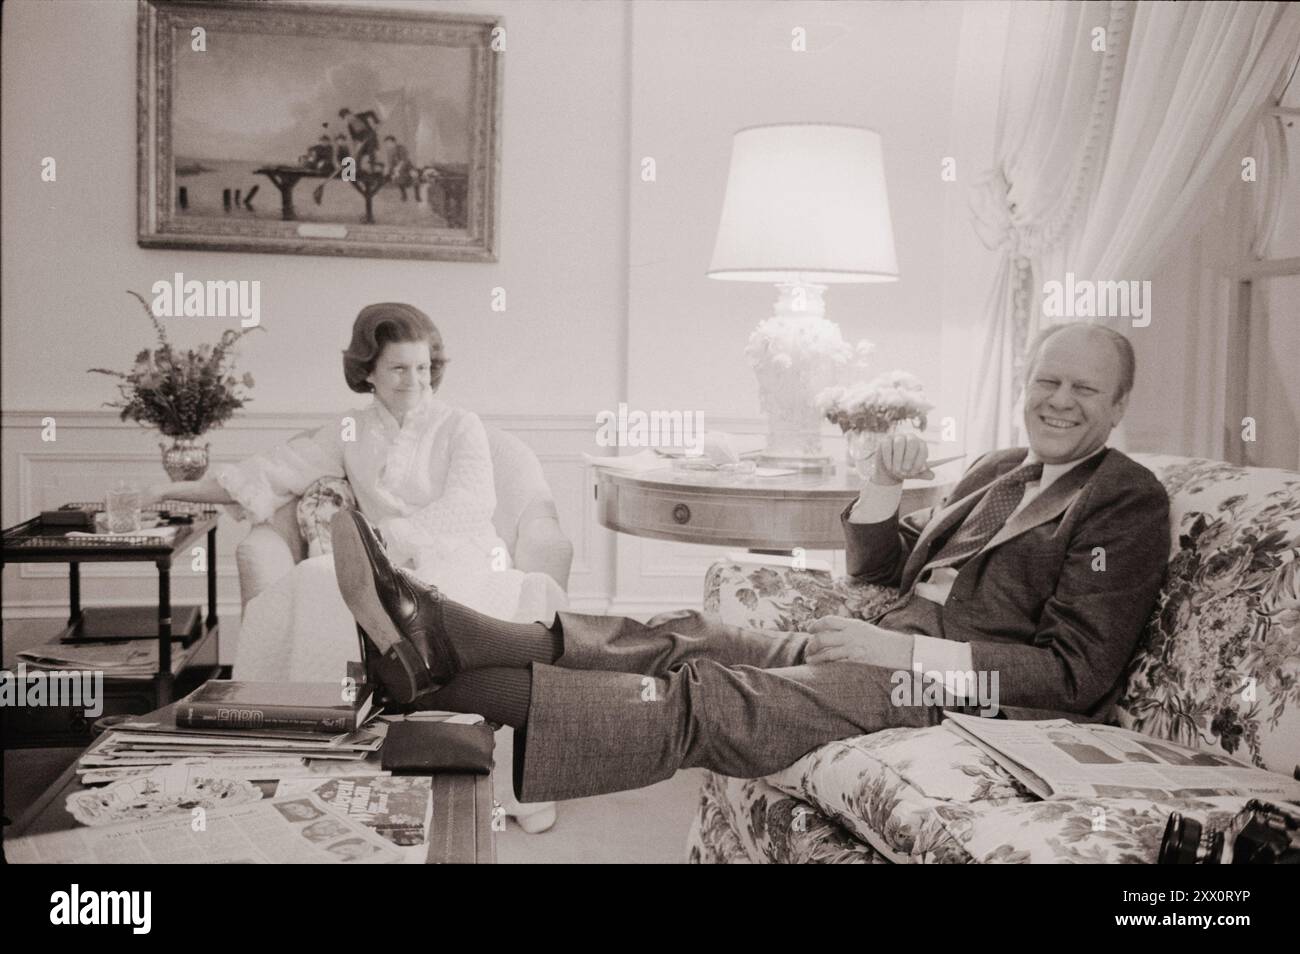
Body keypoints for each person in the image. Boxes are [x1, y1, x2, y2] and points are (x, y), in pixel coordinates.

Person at [333, 321, 1172, 803]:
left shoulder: (1124, 500)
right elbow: (886, 574)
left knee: (709, 695)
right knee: (678, 636)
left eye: (1084, 391)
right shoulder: (999, 468)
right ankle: (436, 639)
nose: (1057, 402)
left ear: (1121, 405)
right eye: (1046, 382)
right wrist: (880, 487)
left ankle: (434, 667)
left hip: (952, 693)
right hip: (873, 646)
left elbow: (1075, 674)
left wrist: (907, 656)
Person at [149, 302, 566, 831]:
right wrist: (179, 487)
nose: (413, 380)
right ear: (367, 369)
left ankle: (509, 787)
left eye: (421, 367)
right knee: (313, 584)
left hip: (458, 556)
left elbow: (471, 503)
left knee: (479, 606)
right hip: (374, 568)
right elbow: (275, 471)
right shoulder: (349, 429)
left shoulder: (461, 424)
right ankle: (313, 768)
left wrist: (391, 541)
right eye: (397, 368)